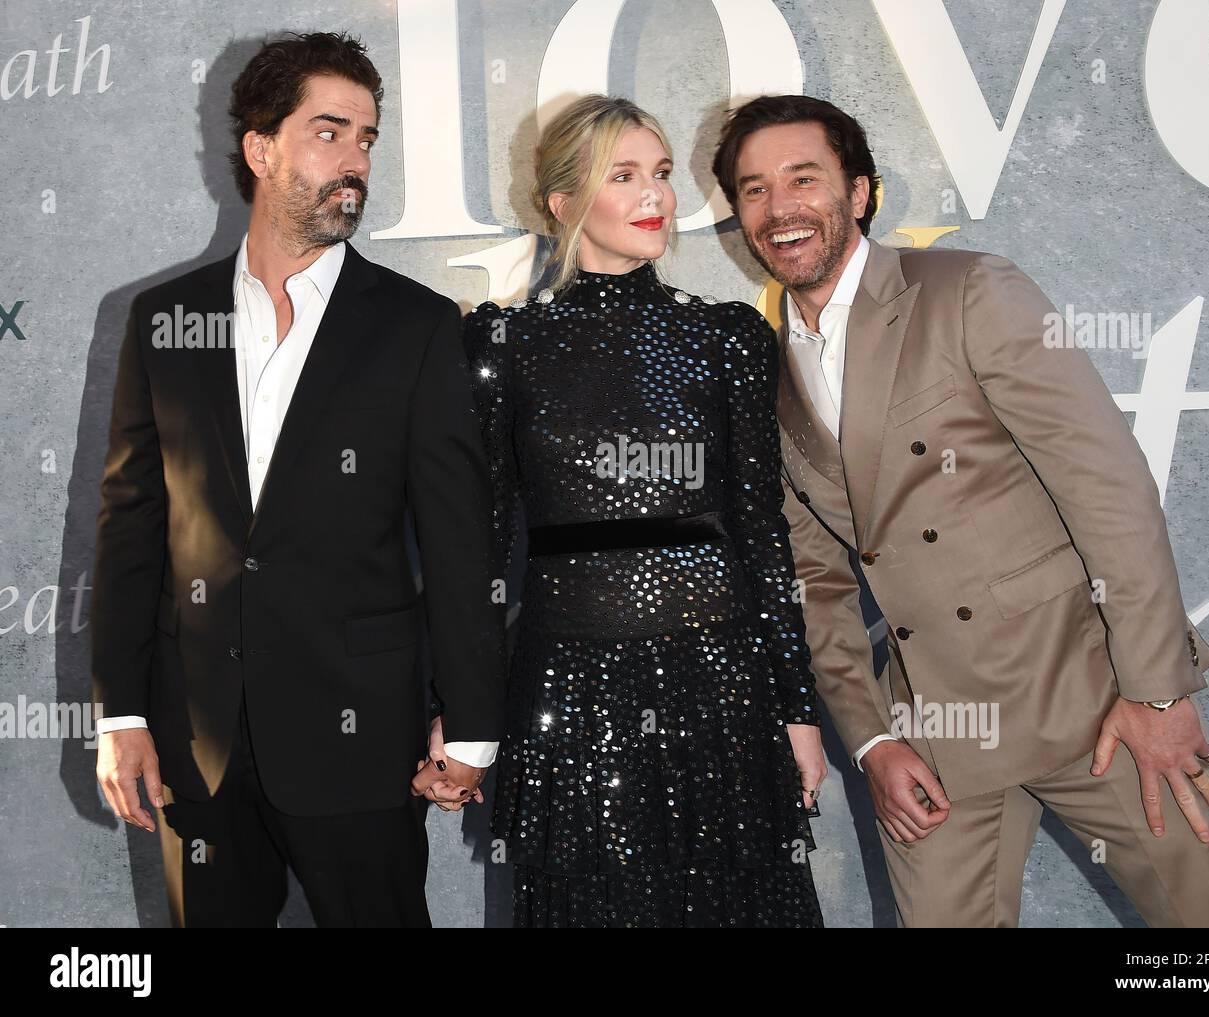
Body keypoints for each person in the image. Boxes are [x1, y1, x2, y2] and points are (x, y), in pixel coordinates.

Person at [711, 93, 1209, 927]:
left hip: (1098, 704)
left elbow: (1109, 487)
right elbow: (817, 585)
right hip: (936, 736)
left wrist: (1158, 695)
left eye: (804, 178)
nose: (781, 207)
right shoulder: (769, 374)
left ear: (861, 192)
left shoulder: (969, 290)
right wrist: (874, 739)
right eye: (755, 189)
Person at [91, 31, 505, 927]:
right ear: (260, 147)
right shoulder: (165, 319)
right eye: (329, 132)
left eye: (367, 137)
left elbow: (459, 539)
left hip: (360, 736)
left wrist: (470, 724)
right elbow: (130, 528)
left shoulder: (416, 325)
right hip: (194, 741)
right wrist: (120, 714)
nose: (355, 160)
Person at [452, 94, 825, 927]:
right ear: (562, 202)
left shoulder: (727, 335)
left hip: (722, 683)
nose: (657, 195)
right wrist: (460, 708)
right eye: (625, 176)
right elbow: (474, 548)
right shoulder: (503, 343)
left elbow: (763, 536)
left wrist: (798, 708)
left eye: (661, 174)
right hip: (571, 688)